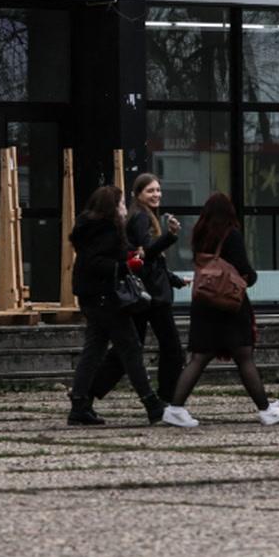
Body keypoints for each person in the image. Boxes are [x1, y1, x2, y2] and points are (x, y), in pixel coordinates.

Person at [161, 193, 279, 428]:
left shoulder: (200, 236)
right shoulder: (231, 235)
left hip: (204, 303)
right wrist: (252, 277)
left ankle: (175, 408)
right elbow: (245, 271)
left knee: (199, 357)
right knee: (244, 355)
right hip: (229, 306)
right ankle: (266, 410)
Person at [65, 184, 171, 427]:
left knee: (93, 351)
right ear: (112, 207)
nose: (125, 209)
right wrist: (125, 266)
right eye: (121, 204)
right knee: (130, 348)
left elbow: (110, 256)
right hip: (106, 298)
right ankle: (152, 404)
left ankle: (80, 404)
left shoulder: (90, 229)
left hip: (92, 297)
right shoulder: (107, 230)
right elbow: (98, 262)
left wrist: (142, 251)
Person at [85, 173, 186, 407]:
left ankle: (89, 391)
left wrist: (174, 279)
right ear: (138, 194)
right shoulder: (141, 218)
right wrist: (171, 236)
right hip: (151, 297)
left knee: (128, 349)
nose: (156, 195)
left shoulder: (140, 215)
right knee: (170, 348)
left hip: (146, 294)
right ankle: (167, 398)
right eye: (150, 191)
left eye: (158, 190)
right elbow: (145, 253)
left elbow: (149, 260)